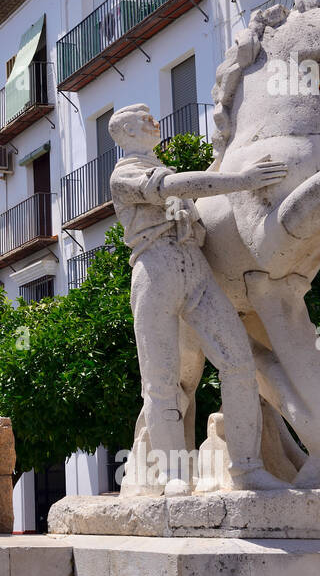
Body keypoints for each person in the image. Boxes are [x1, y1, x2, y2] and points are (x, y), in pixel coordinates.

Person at [109, 103, 288, 494]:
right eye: (143, 119)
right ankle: (173, 475)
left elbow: (197, 203)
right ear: (124, 135)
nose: (153, 121)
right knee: (160, 382)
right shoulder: (125, 174)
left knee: (238, 362)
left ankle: (246, 468)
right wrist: (242, 179)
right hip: (155, 269)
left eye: (151, 115)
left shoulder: (165, 168)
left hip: (195, 266)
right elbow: (173, 188)